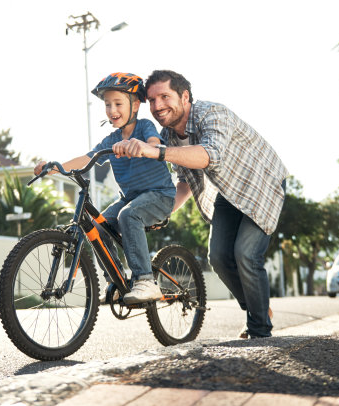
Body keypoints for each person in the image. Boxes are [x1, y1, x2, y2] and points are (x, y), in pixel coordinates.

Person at [112, 70, 288, 338]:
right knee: (217, 257)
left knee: (245, 254)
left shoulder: (212, 113)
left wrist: (154, 151)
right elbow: (183, 182)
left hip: (261, 184)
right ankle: (258, 309)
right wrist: (161, 212)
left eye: (165, 96)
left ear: (185, 96)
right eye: (152, 99)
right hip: (228, 193)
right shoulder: (169, 135)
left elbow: (209, 156)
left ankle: (260, 331)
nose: (158, 105)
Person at [34, 72, 176, 304]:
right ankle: (117, 281)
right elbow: (88, 158)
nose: (112, 110)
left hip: (160, 195)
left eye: (118, 103)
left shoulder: (144, 126)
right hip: (130, 198)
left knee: (128, 215)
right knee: (98, 228)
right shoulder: (111, 140)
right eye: (107, 105)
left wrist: (141, 146)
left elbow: (154, 143)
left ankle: (145, 280)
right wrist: (54, 168)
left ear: (136, 104)